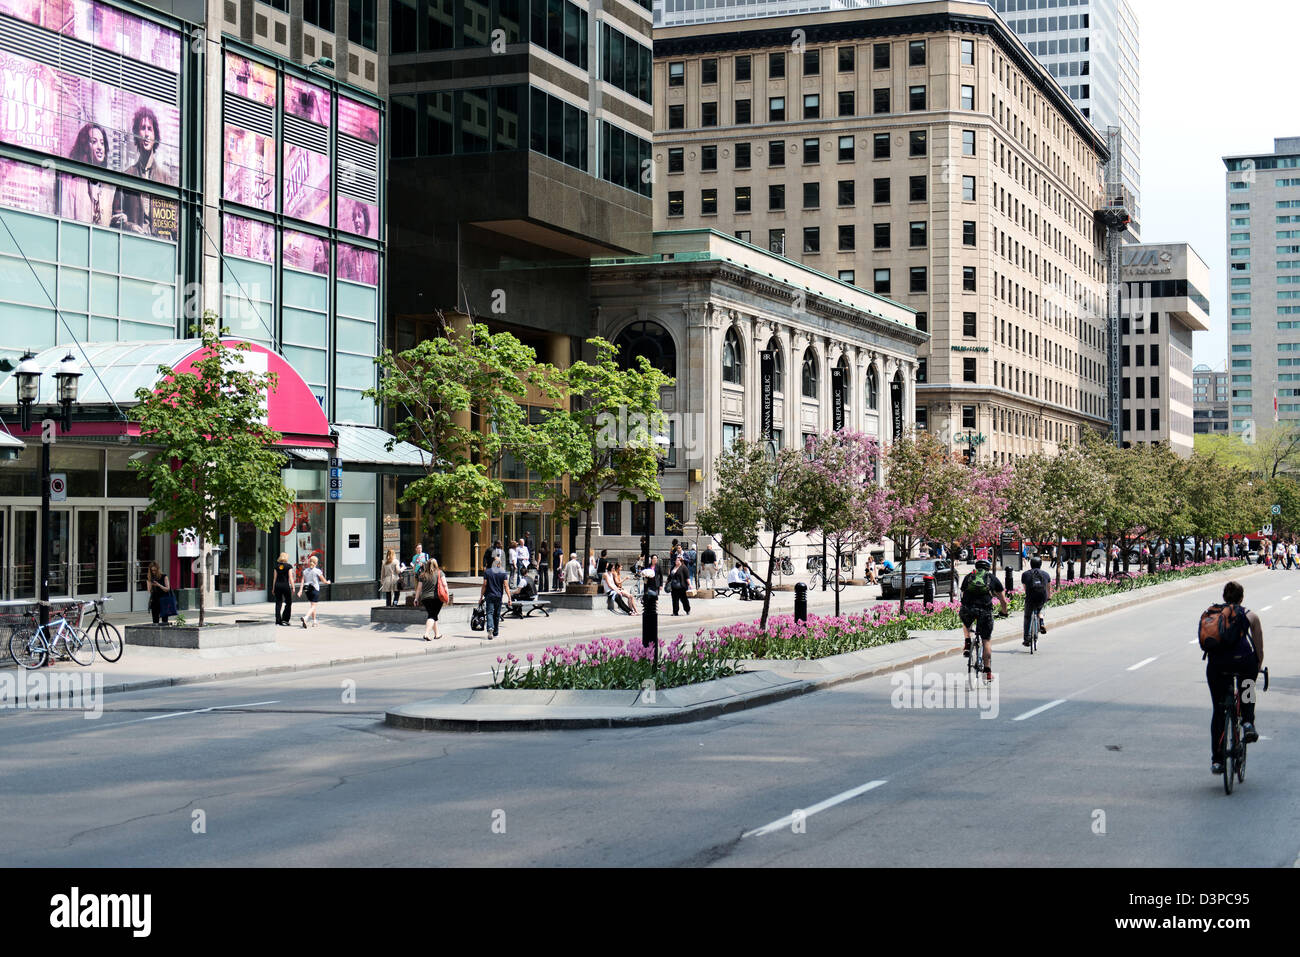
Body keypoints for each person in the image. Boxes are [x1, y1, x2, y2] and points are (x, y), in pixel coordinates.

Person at [1205, 581, 1264, 775]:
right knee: (1247, 685)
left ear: (1224, 597)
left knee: (1219, 711)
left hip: (1217, 666)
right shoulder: (1250, 615)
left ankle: (1217, 761)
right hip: (1243, 662)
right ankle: (1247, 721)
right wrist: (1257, 666)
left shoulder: (1212, 614)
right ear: (1242, 598)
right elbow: (1258, 649)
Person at [960, 558, 1009, 682]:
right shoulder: (992, 578)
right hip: (985, 611)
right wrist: (1004, 612)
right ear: (988, 568)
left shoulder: (968, 577)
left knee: (966, 621)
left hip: (968, 609)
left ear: (976, 567)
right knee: (986, 640)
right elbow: (1003, 600)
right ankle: (987, 671)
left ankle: (967, 641)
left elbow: (961, 594)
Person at [1020, 556, 1053, 646]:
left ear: (1030, 564)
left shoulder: (1025, 574)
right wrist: (1048, 596)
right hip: (1041, 596)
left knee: (1027, 617)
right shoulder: (1046, 574)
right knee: (1040, 606)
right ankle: (1041, 621)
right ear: (1040, 564)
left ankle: (1027, 638)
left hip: (1030, 597)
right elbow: (1048, 587)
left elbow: (1025, 587)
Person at [413, 558, 447, 641]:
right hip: (436, 598)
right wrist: (447, 596)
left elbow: (419, 588)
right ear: (436, 564)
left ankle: (437, 634)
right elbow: (445, 585)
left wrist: (416, 599)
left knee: (433, 614)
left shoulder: (423, 574)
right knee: (432, 615)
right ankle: (426, 634)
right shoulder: (440, 573)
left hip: (425, 599)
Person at [479, 557, 511, 639]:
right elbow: (506, 585)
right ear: (499, 563)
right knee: (497, 614)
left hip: (489, 596)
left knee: (489, 613)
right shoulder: (503, 572)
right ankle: (495, 632)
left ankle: (490, 628)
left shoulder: (487, 572)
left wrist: (481, 597)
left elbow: (484, 585)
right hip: (498, 596)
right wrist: (509, 598)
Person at [297, 555, 329, 627]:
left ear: (309, 562)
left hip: (307, 590)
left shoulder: (305, 571)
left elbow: (302, 581)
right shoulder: (317, 571)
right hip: (314, 589)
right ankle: (306, 617)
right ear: (316, 563)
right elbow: (323, 580)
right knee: (313, 606)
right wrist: (328, 582)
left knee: (312, 605)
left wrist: (300, 591)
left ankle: (314, 622)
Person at [272, 552, 296, 625]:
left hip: (277, 586)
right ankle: (285, 619)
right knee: (288, 602)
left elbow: (274, 578)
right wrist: (293, 587)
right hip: (285, 586)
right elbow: (291, 578)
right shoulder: (289, 566)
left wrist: (273, 588)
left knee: (278, 603)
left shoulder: (276, 566)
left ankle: (278, 620)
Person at [147, 560, 171, 625]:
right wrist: (150, 583)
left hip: (164, 599)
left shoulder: (164, 576)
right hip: (155, 600)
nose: (153, 572)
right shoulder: (150, 578)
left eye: (155, 570)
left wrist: (158, 585)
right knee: (155, 620)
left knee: (164, 620)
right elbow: (149, 590)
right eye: (152, 570)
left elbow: (167, 589)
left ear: (158, 569)